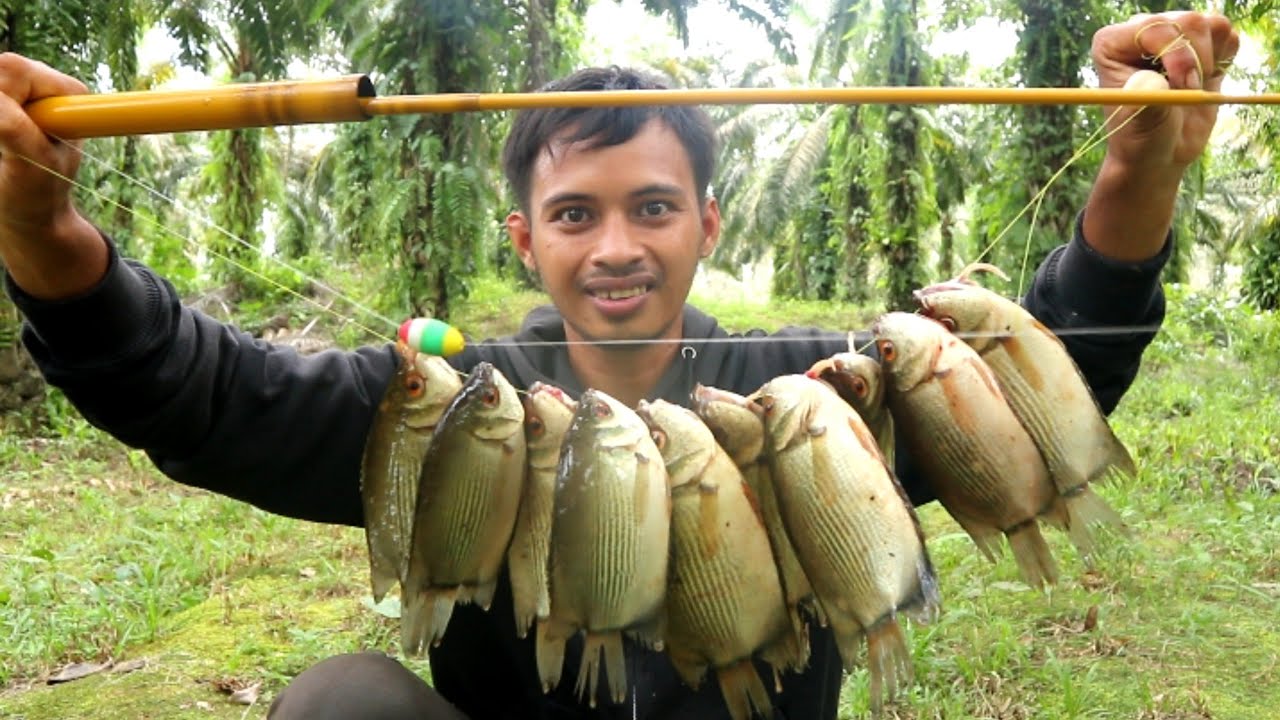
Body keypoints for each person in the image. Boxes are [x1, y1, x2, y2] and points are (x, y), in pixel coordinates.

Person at [0, 10, 1239, 720]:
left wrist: (1133, 175)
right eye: (576, 213)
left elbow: (1045, 373)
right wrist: (49, 235)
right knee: (343, 700)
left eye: (651, 207)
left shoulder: (818, 396)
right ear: (524, 237)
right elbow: (211, 398)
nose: (615, 246)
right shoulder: (462, 410)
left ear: (707, 223)